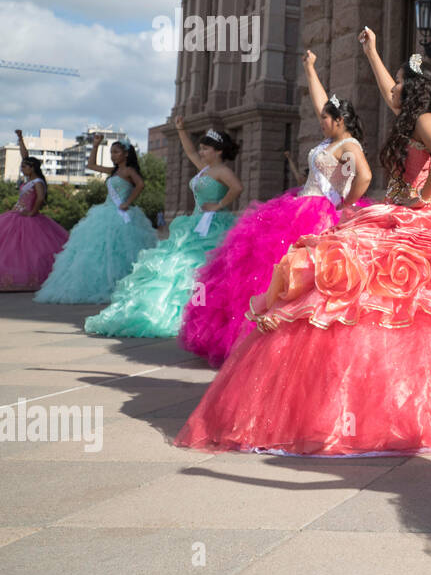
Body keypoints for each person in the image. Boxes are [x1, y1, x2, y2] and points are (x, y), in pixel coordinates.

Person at [174, 30, 431, 456]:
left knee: (421, 305)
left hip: (418, 217)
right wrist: (371, 51)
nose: (396, 89)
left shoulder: (424, 120)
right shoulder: (410, 113)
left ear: (417, 87)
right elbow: (390, 91)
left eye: (403, 82)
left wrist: (422, 199)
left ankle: (413, 409)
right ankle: (374, 405)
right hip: (399, 212)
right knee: (366, 293)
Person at [179, 51, 372, 366]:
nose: (320, 121)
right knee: (265, 268)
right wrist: (310, 68)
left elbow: (364, 175)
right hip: (300, 205)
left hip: (320, 212)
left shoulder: (348, 145)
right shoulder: (330, 140)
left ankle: (298, 344)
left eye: (325, 118)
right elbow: (321, 101)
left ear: (339, 120)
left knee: (302, 276)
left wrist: (344, 201)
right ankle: (254, 336)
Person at [85, 119, 241, 337]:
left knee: (200, 267)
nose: (201, 151)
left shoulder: (222, 170)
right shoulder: (205, 168)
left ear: (218, 151)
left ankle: (204, 311)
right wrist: (181, 129)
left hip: (212, 225)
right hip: (196, 223)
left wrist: (219, 205)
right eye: (202, 147)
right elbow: (189, 151)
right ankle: (181, 310)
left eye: (206, 148)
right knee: (179, 265)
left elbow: (237, 187)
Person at [35, 135, 157, 303]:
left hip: (121, 215)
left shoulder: (129, 171)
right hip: (106, 212)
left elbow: (140, 184)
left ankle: (122, 285)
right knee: (99, 251)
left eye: (116, 152)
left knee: (119, 250)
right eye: (111, 152)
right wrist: (95, 145)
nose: (113, 155)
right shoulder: (114, 171)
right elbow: (91, 165)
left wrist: (128, 202)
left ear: (126, 154)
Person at [0, 130, 68, 291]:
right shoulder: (29, 180)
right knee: (12, 249)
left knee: (27, 251)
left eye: (25, 166)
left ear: (32, 168)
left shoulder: (37, 181)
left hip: (28, 217)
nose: (22, 168)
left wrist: (32, 212)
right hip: (16, 214)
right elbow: (25, 155)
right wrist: (20, 139)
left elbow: (40, 198)